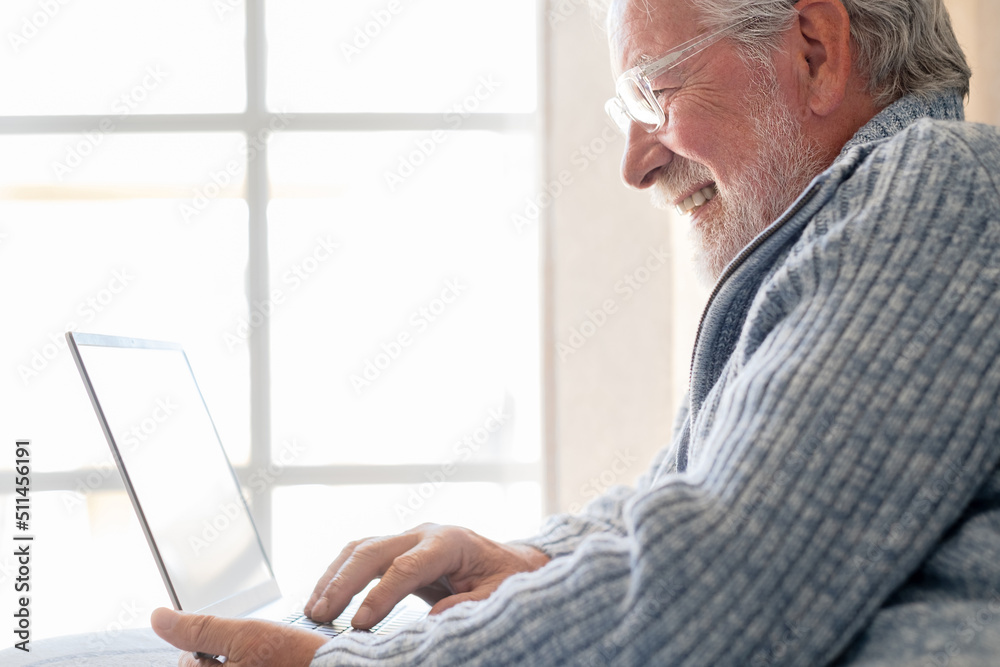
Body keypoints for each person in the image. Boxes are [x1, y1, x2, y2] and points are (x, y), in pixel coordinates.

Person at [152, 0, 1000, 664]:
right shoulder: (850, 234)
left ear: (815, 49)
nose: (636, 163)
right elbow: (683, 506)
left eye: (652, 94)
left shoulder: (935, 186)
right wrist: (528, 563)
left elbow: (716, 588)